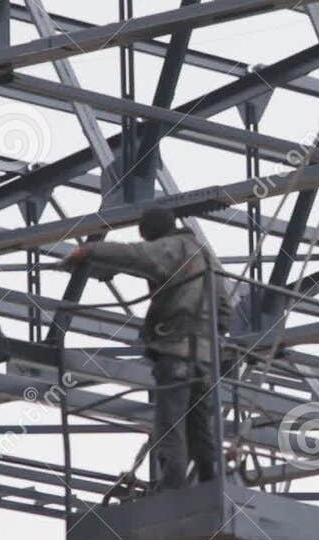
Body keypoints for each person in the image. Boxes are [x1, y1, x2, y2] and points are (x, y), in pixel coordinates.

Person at [65, 208, 230, 489]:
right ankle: (212, 486)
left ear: (150, 230)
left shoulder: (170, 248)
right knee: (200, 428)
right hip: (205, 358)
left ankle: (172, 492)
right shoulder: (206, 256)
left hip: (176, 352)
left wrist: (88, 251)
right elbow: (225, 311)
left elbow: (133, 255)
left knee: (171, 424)